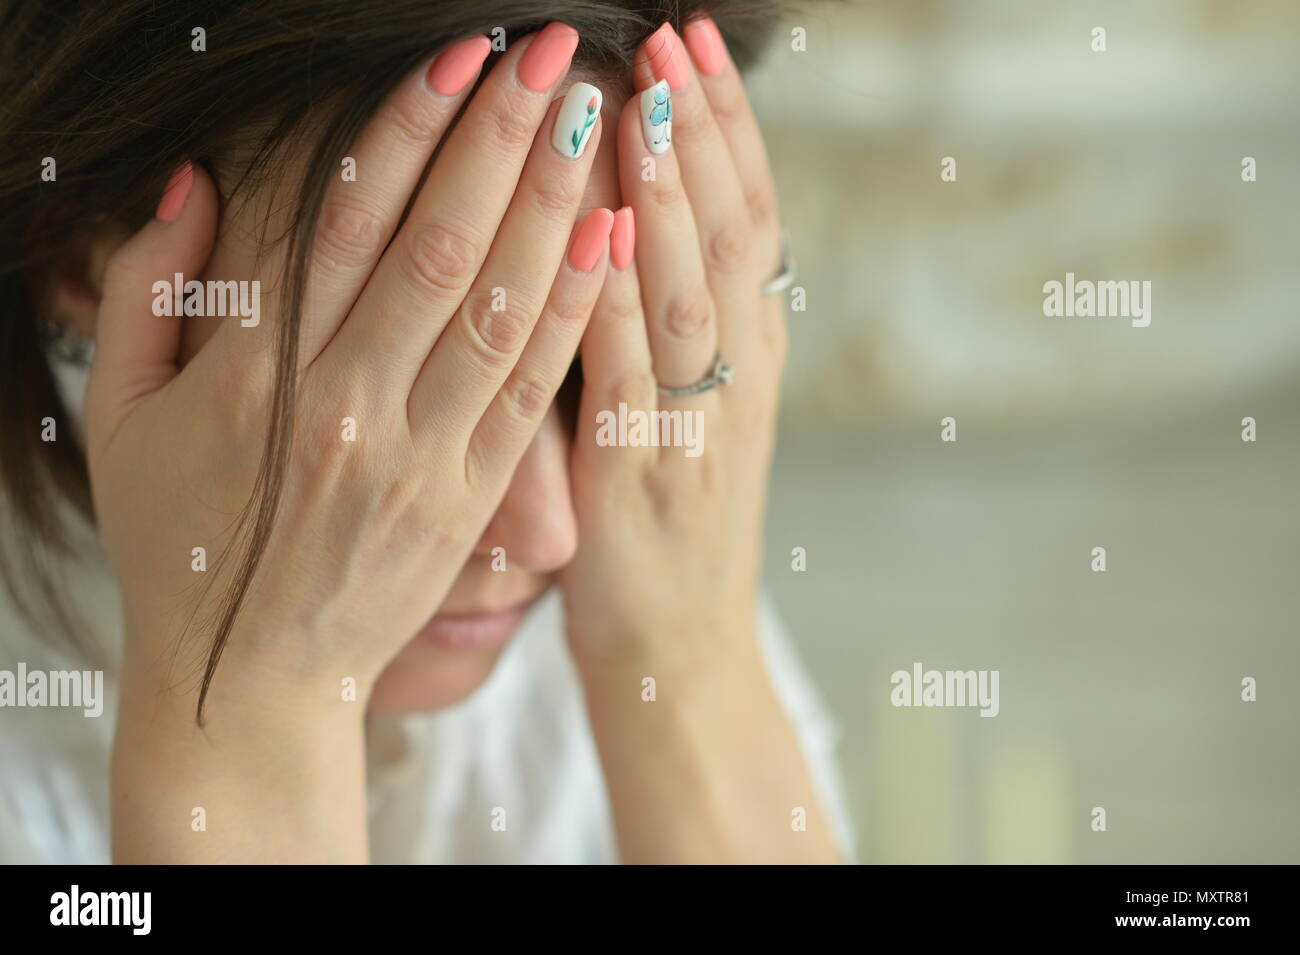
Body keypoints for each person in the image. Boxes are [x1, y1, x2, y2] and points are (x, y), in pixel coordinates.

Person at [0, 1, 853, 863]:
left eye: (597, 373)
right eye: (412, 362)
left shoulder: (635, 566)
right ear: (81, 260)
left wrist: (686, 656)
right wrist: (243, 702)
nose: (546, 528)